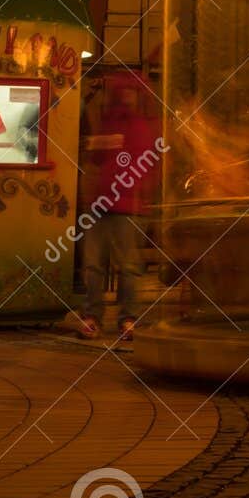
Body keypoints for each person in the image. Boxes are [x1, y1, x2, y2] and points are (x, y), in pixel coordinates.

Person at [76, 73, 160, 341]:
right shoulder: (129, 124)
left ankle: (103, 318)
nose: (125, 96)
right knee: (116, 266)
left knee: (104, 266)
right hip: (115, 204)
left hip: (118, 204)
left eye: (129, 91)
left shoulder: (133, 125)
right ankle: (121, 320)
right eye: (121, 91)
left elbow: (101, 160)